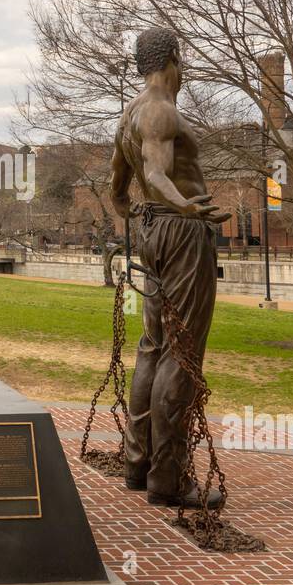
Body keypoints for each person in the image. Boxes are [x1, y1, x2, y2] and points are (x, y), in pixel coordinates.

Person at [110, 27, 230, 508]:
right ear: (174, 59)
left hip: (153, 231)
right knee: (180, 350)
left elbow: (117, 186)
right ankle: (170, 479)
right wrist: (187, 209)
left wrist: (140, 220)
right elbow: (157, 174)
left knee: (153, 346)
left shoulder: (129, 114)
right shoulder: (160, 110)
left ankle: (138, 465)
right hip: (180, 232)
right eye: (183, 61)